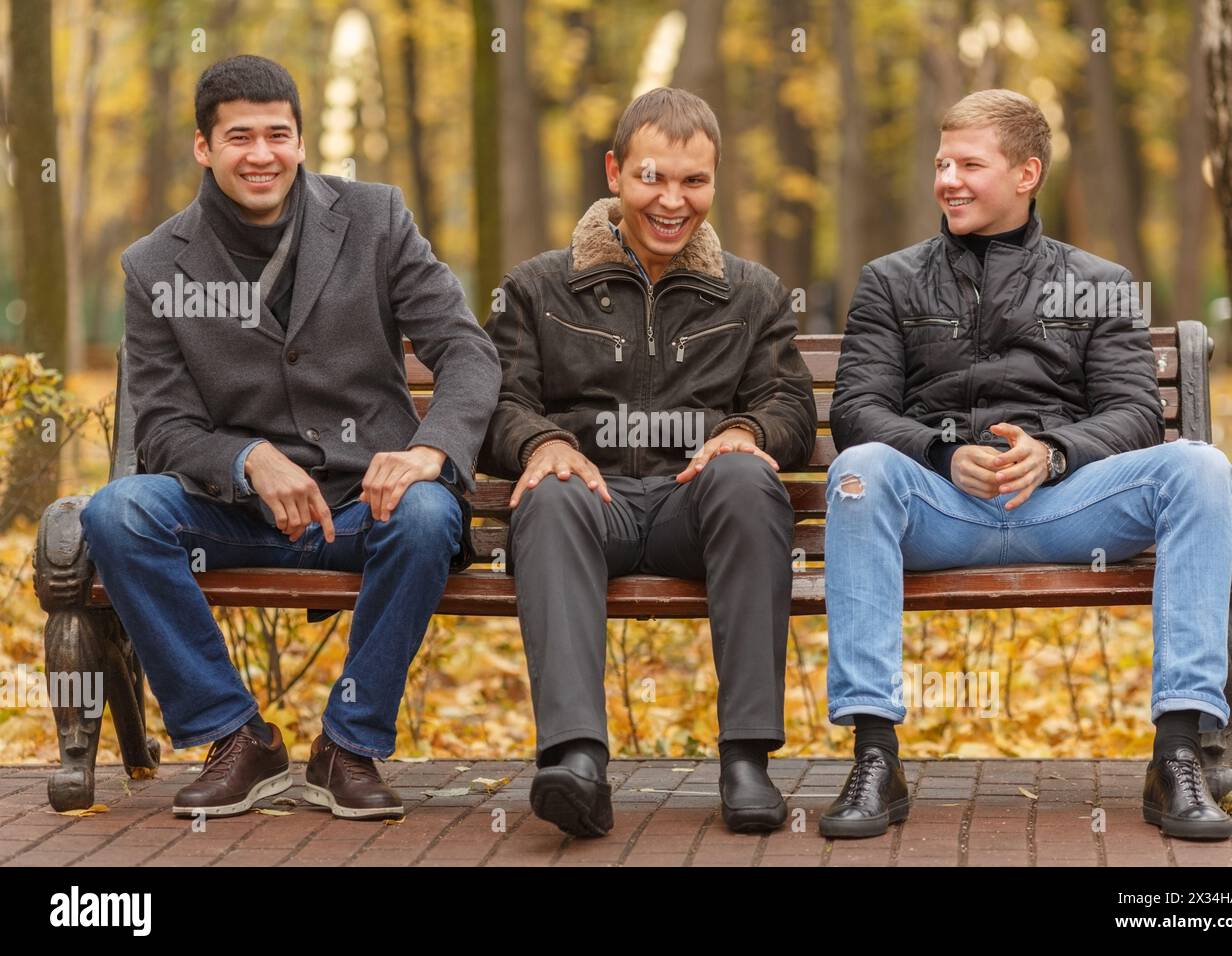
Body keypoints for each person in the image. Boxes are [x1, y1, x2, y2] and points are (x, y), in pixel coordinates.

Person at [81, 55, 500, 821]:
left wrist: (428, 451)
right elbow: (165, 426)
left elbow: (468, 352)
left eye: (279, 134)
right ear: (203, 148)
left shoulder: (376, 218)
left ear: (302, 141)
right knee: (114, 513)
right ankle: (237, 737)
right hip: (231, 515)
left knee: (431, 514)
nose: (262, 154)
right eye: (240, 137)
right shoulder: (152, 266)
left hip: (363, 507)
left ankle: (348, 745)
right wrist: (246, 458)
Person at [822, 89, 1232, 842]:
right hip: (941, 513)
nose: (947, 179)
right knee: (858, 468)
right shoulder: (892, 280)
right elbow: (858, 409)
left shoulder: (1098, 280)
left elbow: (1136, 411)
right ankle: (875, 755)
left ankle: (1178, 753)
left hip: (1066, 508)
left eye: (969, 164)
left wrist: (1055, 454)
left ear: (1026, 174)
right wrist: (944, 454)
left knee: (1201, 468)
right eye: (941, 162)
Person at [480, 88, 817, 837]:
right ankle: (575, 763)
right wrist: (546, 443)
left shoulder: (753, 292)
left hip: (689, 506)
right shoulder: (538, 287)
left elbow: (792, 407)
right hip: (590, 503)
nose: (673, 200)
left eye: (694, 181)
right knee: (553, 488)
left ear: (715, 181)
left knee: (746, 477)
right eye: (652, 178)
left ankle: (746, 761)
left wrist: (746, 432)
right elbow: (497, 404)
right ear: (615, 172)